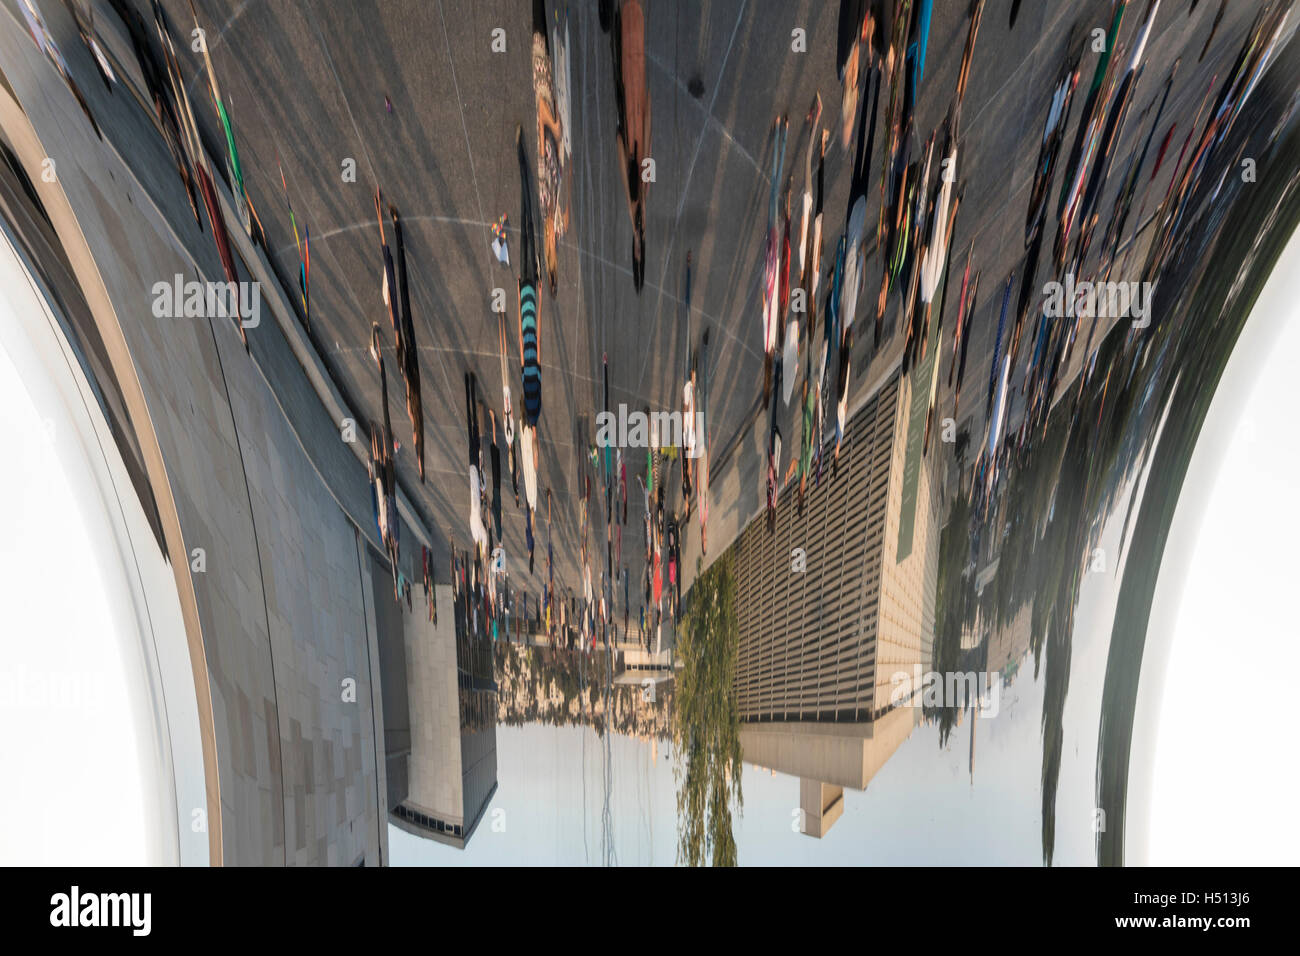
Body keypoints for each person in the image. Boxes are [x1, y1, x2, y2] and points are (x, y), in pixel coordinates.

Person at [613, 0, 650, 290]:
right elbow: (645, 170)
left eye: (634, 256)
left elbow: (628, 175)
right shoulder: (642, 215)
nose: (637, 252)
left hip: (631, 128)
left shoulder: (634, 214)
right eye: (640, 256)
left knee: (628, 65)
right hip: (637, 132)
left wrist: (624, 144)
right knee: (633, 65)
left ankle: (628, 14)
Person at [531, 0, 567, 295]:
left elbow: (542, 113)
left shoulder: (544, 202)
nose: (555, 241)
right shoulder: (554, 215)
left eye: (552, 248)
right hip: (551, 84)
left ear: (548, 247)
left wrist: (554, 129)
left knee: (538, 23)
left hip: (542, 80)